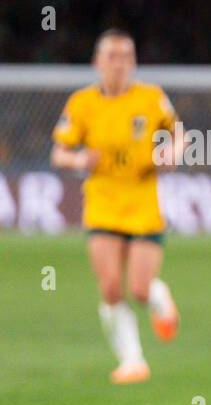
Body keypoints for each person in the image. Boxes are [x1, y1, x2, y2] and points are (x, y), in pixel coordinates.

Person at [50, 29, 182, 384]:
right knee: (110, 287)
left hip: (143, 204)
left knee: (139, 289)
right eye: (112, 56)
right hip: (103, 204)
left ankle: (159, 298)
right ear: (97, 62)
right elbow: (59, 152)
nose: (120, 63)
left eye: (127, 56)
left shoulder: (152, 98)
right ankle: (133, 361)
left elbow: (180, 135)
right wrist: (79, 160)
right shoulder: (82, 103)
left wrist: (171, 153)